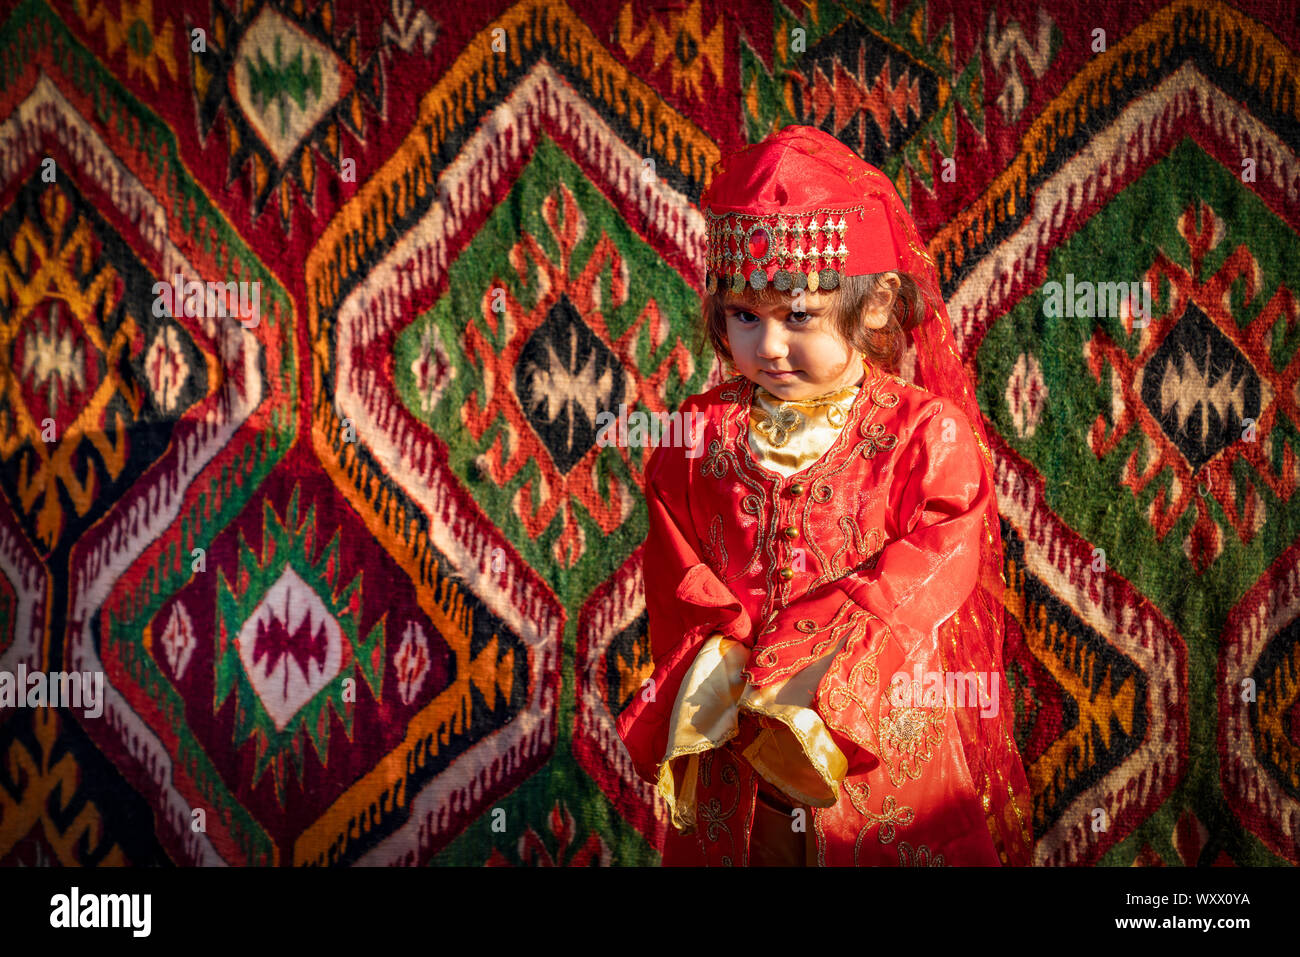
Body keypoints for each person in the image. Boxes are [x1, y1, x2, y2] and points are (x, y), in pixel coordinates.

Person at [615, 125, 1034, 867]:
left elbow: (935, 561)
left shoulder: (922, 434)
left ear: (874, 307)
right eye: (745, 315)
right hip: (736, 738)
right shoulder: (697, 434)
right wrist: (723, 654)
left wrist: (818, 657)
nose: (768, 345)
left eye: (798, 316)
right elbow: (677, 567)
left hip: (873, 731)